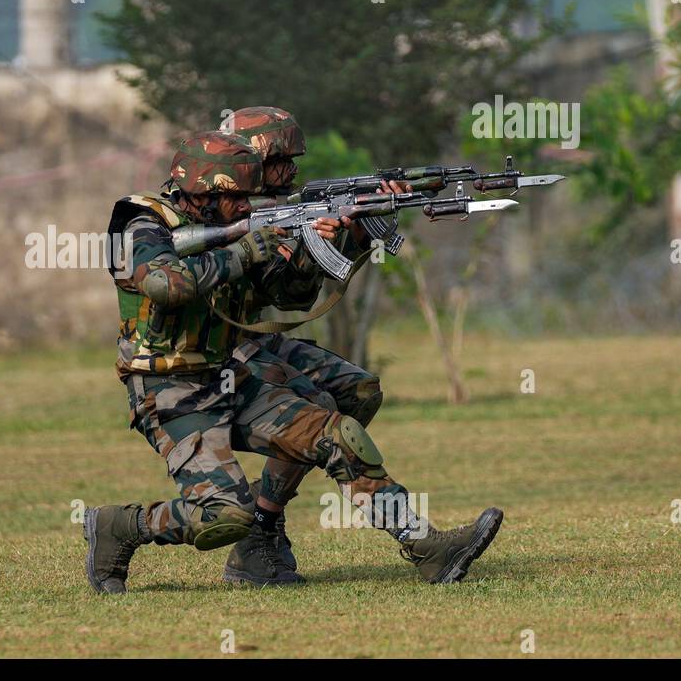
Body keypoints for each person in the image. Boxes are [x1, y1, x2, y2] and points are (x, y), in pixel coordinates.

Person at [84, 129, 503, 593]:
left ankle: (429, 548)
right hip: (170, 393)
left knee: (338, 434)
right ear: (206, 194)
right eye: (240, 198)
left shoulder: (241, 224)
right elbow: (165, 284)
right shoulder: (142, 222)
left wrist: (332, 240)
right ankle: (119, 526)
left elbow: (287, 295)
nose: (249, 207)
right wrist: (243, 250)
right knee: (224, 517)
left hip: (232, 375)